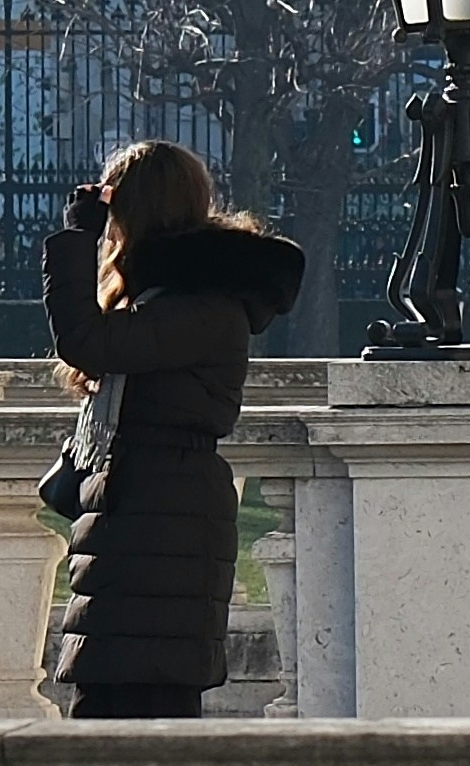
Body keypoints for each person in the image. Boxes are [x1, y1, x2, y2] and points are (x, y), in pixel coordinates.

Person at [41, 140, 303, 720]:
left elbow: (88, 342)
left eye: (113, 207)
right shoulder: (170, 297)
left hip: (162, 529)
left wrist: (73, 243)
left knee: (145, 720)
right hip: (143, 524)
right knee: (110, 720)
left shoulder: (200, 303)